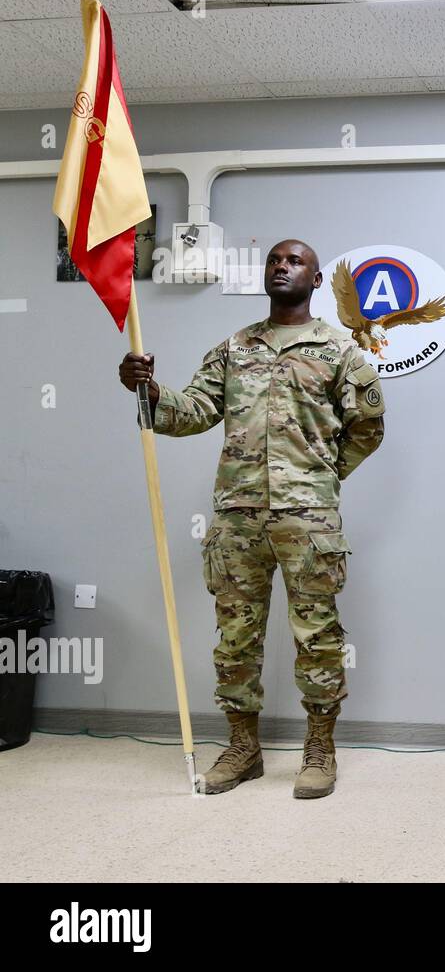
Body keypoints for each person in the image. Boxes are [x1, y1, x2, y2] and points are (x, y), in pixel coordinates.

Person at [118, 239, 385, 799]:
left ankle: (319, 748)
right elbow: (191, 412)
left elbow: (368, 427)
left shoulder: (341, 351)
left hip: (307, 519)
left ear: (317, 281)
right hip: (237, 518)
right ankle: (243, 747)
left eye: (296, 262)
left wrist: (320, 476)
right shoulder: (234, 349)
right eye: (274, 260)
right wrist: (146, 388)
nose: (282, 267)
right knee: (235, 638)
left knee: (318, 636)